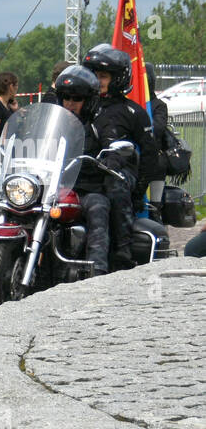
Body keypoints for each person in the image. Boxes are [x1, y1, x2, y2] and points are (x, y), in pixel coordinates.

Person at [82, 43, 160, 269]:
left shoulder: (134, 112)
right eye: (94, 75)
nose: (97, 81)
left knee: (115, 183)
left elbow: (149, 154)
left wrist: (138, 190)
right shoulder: (82, 107)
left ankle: (122, 250)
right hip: (84, 170)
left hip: (118, 171)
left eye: (103, 76)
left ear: (118, 78)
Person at [55, 65, 122, 275]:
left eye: (76, 99)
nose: (70, 103)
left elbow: (114, 146)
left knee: (98, 207)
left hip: (87, 189)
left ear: (89, 101)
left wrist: (111, 159)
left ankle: (97, 270)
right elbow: (33, 142)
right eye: (65, 97)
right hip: (55, 190)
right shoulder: (53, 123)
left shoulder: (100, 122)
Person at [144, 65, 170, 218]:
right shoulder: (128, 105)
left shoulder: (159, 106)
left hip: (153, 161)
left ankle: (156, 213)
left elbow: (158, 129)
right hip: (133, 161)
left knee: (154, 208)